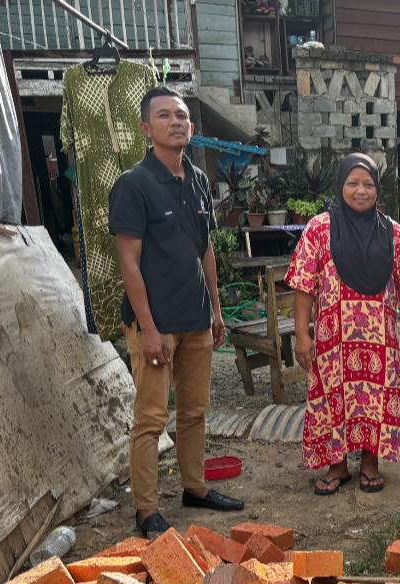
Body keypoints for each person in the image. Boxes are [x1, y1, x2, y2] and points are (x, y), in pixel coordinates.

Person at [110, 86, 243, 540]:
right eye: (164, 116)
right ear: (147, 128)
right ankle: (146, 511)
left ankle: (195, 488)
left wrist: (217, 308)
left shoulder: (199, 180)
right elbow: (128, 262)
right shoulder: (134, 185)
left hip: (196, 319)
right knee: (150, 418)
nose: (176, 122)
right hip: (157, 325)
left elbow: (204, 248)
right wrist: (148, 329)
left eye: (182, 115)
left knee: (194, 412)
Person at [286, 153, 400, 495]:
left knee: (374, 400)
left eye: (368, 184)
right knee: (334, 397)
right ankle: (337, 467)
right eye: (353, 183)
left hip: (380, 340)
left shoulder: (394, 234)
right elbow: (304, 285)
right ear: (340, 185)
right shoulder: (319, 229)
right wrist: (302, 335)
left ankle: (369, 464)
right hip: (334, 340)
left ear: (378, 189)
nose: (361, 191)